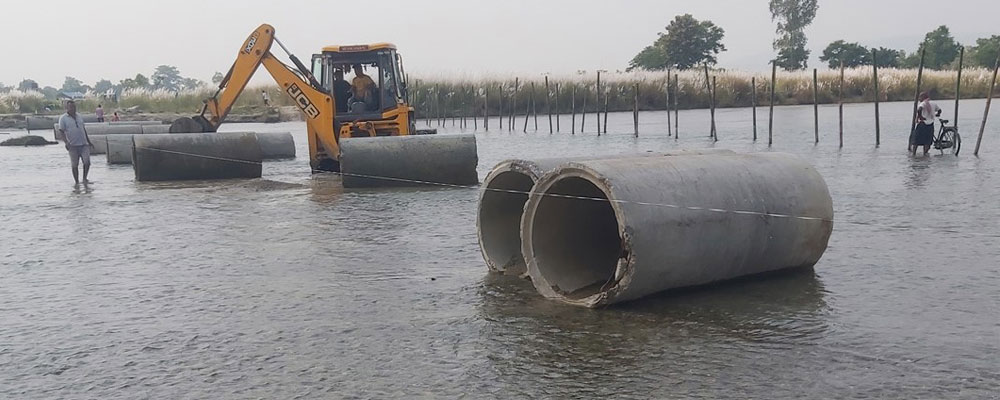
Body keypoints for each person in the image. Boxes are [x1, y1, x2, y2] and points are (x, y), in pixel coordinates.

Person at [57, 100, 94, 184]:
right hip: (72, 145)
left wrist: (89, 141)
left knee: (87, 162)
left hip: (84, 144)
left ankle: (84, 178)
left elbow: (83, 129)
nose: (73, 108)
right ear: (67, 108)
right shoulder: (63, 118)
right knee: (74, 165)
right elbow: (61, 131)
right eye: (71, 107)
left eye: (74, 107)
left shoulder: (79, 116)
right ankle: (76, 182)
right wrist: (66, 142)